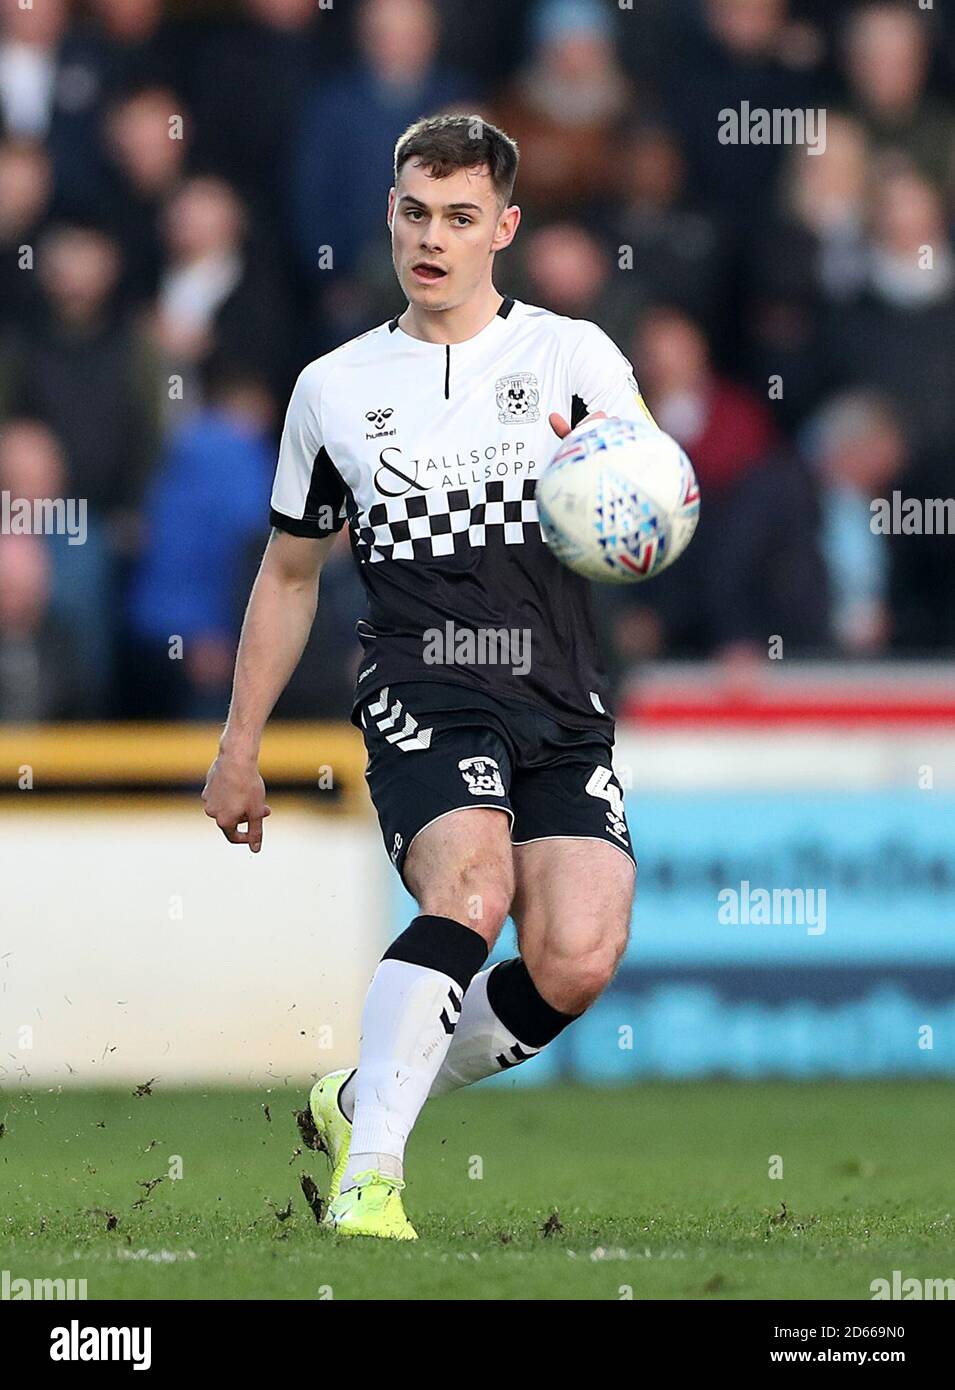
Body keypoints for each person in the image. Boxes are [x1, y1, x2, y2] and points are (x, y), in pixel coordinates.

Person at [201, 115, 662, 1240]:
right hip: (424, 679)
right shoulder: (333, 389)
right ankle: (369, 1182)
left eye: (460, 217)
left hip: (557, 693)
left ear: (502, 227)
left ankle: (360, 1097)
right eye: (415, 212)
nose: (433, 238)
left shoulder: (573, 356)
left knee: (577, 952)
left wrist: (631, 505)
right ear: (390, 215)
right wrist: (238, 741)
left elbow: (646, 489)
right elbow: (293, 572)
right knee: (470, 888)